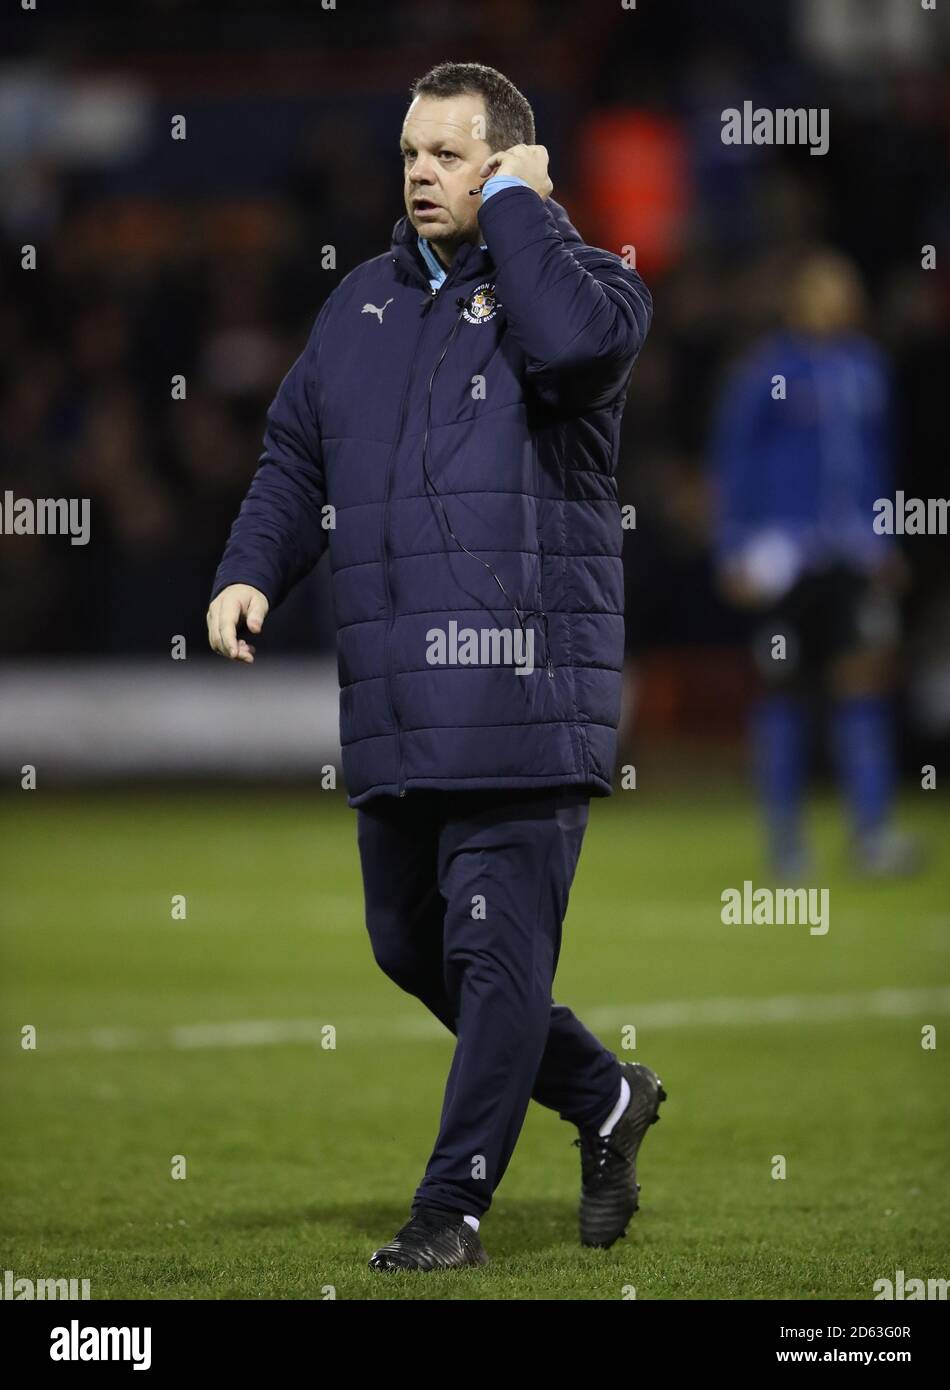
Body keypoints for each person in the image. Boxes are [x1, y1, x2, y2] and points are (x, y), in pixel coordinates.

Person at [207, 61, 662, 1272]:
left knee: (494, 958)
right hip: (397, 697)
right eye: (411, 151)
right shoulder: (356, 303)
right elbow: (296, 456)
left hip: (524, 689)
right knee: (408, 945)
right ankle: (606, 1092)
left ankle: (448, 1207)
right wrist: (249, 566)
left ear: (511, 164)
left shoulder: (589, 289)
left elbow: (567, 350)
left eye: (452, 155)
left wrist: (523, 212)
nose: (419, 172)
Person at [711, 249, 920, 878]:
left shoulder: (867, 369)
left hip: (850, 552)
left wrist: (886, 537)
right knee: (783, 693)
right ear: (798, 297)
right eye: (826, 287)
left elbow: (877, 464)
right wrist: (733, 550)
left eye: (845, 287)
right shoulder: (767, 371)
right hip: (783, 560)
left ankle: (872, 834)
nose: (839, 298)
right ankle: (787, 844)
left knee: (862, 682)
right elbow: (735, 463)